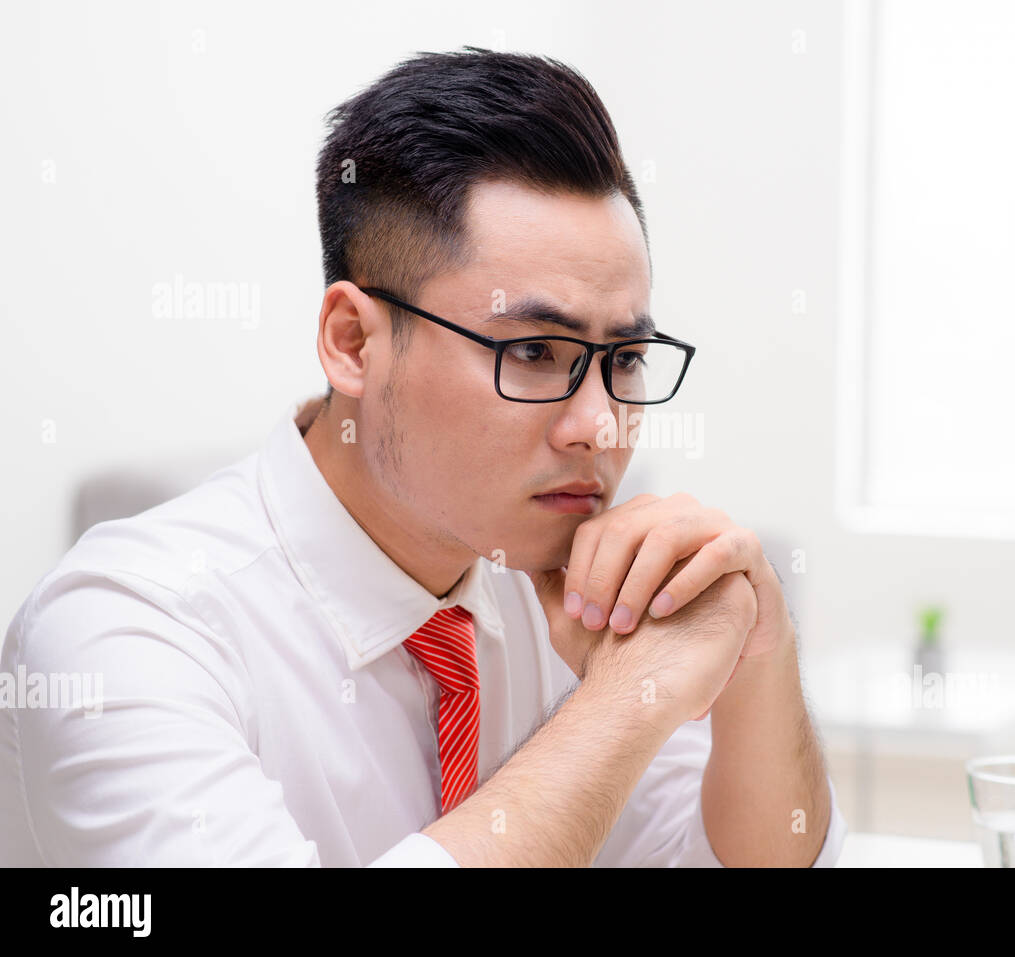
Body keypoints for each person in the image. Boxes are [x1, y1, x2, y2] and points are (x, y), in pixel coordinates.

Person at [0, 47, 845, 867]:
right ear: (353, 343)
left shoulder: (559, 587)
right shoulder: (125, 627)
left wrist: (760, 656)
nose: (600, 425)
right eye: (534, 351)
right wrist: (624, 704)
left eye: (624, 361)